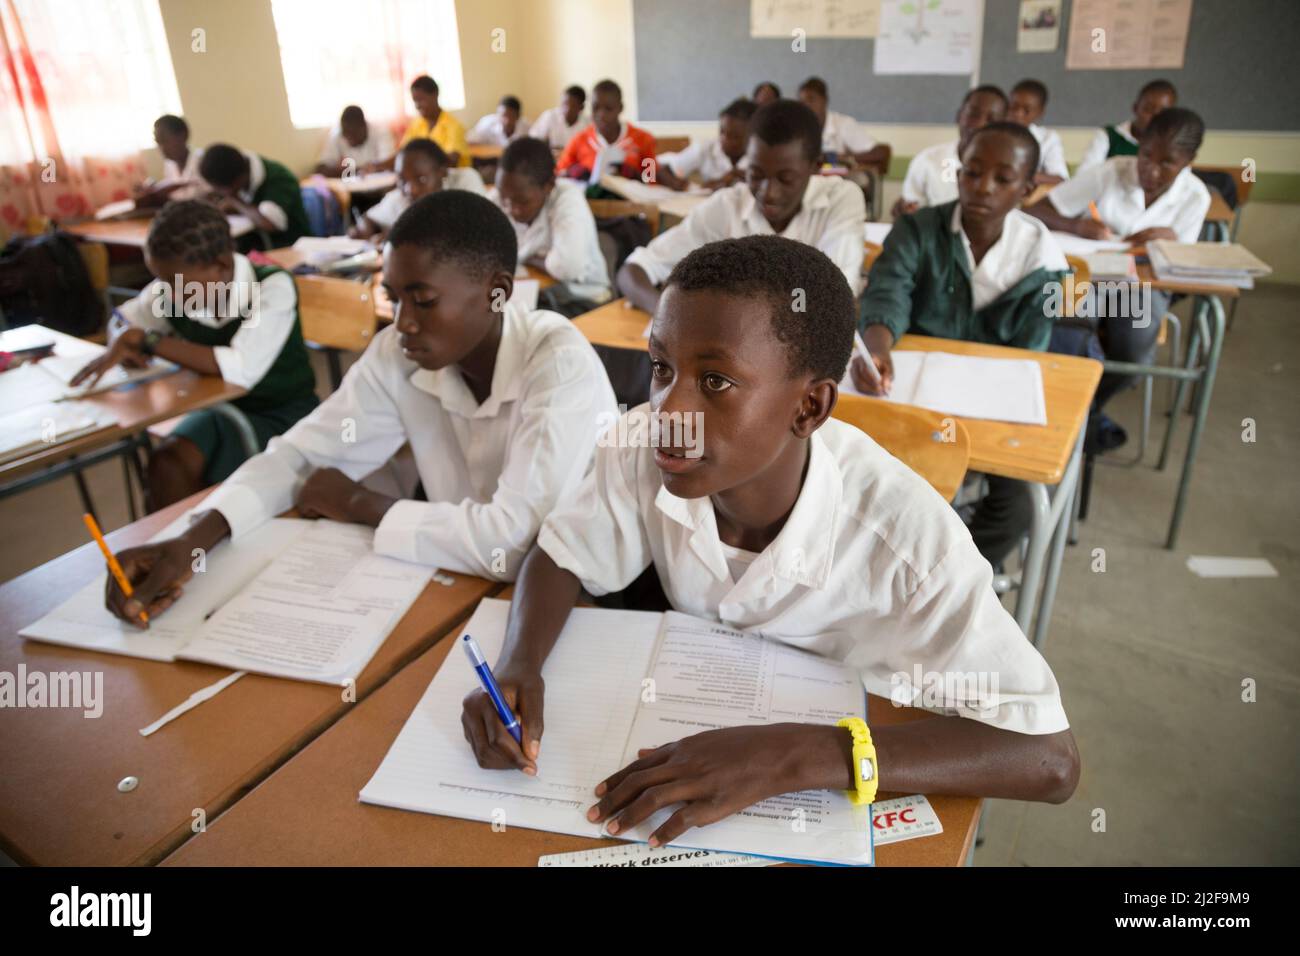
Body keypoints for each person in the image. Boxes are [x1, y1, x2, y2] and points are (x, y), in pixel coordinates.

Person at [460, 235, 1080, 841]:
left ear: (809, 408)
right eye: (661, 368)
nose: (667, 411)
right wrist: (519, 665)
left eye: (716, 382)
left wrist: (793, 756)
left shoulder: (907, 542)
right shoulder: (639, 448)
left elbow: (1049, 759)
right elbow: (561, 553)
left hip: (851, 776)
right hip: (702, 707)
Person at [99, 191, 619, 628]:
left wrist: (357, 503)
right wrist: (193, 536)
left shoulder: (559, 364)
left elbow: (516, 542)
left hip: (576, 608)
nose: (404, 322)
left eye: (423, 300)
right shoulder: (400, 351)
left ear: (497, 293)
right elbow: (300, 457)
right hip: (456, 585)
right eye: (394, 298)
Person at [850, 123, 1068, 569]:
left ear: (1027, 189)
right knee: (870, 470)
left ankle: (956, 571)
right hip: (911, 391)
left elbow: (1030, 354)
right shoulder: (918, 229)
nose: (982, 187)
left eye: (1003, 179)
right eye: (972, 172)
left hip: (993, 404)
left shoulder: (1042, 258)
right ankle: (899, 564)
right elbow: (889, 291)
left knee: (1023, 504)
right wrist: (877, 347)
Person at [70, 200, 318, 508]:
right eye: (161, 279)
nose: (168, 292)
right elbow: (126, 317)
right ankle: (174, 550)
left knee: (227, 492)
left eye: (177, 284)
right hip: (220, 411)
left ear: (222, 266)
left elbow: (239, 368)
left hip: (283, 416)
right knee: (167, 465)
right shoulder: (176, 287)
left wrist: (149, 341)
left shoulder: (271, 287)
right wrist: (122, 340)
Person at [1027, 107, 1209, 448]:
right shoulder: (1110, 172)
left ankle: (1090, 407)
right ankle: (1065, 408)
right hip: (1090, 275)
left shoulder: (1195, 197)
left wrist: (1168, 243)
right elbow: (1035, 209)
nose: (1150, 170)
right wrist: (1076, 224)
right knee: (1062, 326)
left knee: (1135, 357)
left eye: (1166, 163)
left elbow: (1178, 273)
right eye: (1145, 155)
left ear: (1188, 161)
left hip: (1140, 288)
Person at [617, 99, 866, 314]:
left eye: (785, 179)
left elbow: (834, 295)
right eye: (755, 175)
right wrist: (667, 313)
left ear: (815, 166)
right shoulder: (727, 207)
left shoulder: (840, 200)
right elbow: (635, 269)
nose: (768, 192)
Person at [495, 137, 611, 308]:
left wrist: (526, 257)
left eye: (523, 202)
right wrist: (537, 258)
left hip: (584, 299)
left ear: (549, 185)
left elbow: (567, 267)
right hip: (537, 290)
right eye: (505, 200)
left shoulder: (568, 198)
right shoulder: (508, 193)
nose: (513, 209)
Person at [894, 85, 1007, 217]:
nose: (980, 125)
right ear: (959, 116)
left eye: (991, 120)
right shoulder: (927, 160)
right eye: (973, 115)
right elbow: (912, 211)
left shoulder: (1008, 170)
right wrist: (906, 212)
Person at [351, 139, 486, 242]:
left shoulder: (465, 180)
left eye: (421, 179)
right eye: (402, 180)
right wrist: (364, 230)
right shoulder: (400, 197)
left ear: (443, 172)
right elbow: (368, 218)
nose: (411, 189)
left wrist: (402, 234)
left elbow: (469, 229)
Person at [198, 143, 311, 248]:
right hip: (258, 245)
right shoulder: (238, 171)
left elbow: (270, 223)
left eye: (221, 190)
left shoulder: (279, 179)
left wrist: (235, 201)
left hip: (290, 246)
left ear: (236, 182)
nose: (220, 194)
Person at [555, 79, 656, 185]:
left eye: (608, 109)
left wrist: (635, 176)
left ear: (620, 108)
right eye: (595, 108)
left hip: (631, 200)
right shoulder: (579, 141)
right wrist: (572, 173)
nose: (601, 115)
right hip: (591, 201)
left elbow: (651, 180)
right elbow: (557, 176)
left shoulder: (643, 139)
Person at [656, 98, 756, 192]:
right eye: (722, 132)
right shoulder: (706, 148)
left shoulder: (761, 157)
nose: (724, 139)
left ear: (752, 137)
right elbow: (660, 167)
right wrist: (680, 184)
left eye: (735, 136)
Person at [1076, 79, 1177, 172]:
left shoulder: (1173, 145)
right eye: (1148, 109)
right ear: (1135, 108)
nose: (1155, 118)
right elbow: (1084, 177)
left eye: (1163, 113)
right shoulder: (1109, 137)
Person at [797, 76, 890, 169]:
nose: (806, 106)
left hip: (840, 180)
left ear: (825, 100)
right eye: (802, 102)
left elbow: (881, 153)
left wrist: (840, 158)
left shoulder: (843, 124)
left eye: (811, 100)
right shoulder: (799, 127)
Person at [391, 75, 470, 168]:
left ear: (435, 95)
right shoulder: (416, 125)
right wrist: (378, 165)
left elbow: (452, 161)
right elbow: (402, 154)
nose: (417, 106)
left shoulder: (453, 126)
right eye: (415, 101)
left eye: (421, 100)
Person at [1007, 79, 1069, 184]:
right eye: (1014, 107)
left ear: (1040, 113)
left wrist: (1022, 176)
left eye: (1026, 110)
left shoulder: (1048, 139)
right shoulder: (994, 134)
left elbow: (1060, 179)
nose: (1018, 114)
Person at [135, 114, 204, 206]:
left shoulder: (203, 161)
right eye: (158, 142)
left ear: (183, 135)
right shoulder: (169, 165)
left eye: (164, 140)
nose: (162, 148)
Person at [315, 105, 394, 177]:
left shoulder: (381, 132)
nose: (349, 139)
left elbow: (388, 164)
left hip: (379, 189)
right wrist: (359, 170)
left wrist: (347, 171)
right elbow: (321, 168)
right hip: (349, 189)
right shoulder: (337, 135)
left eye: (354, 134)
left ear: (364, 127)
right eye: (346, 134)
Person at [528, 85, 588, 154]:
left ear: (581, 107)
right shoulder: (550, 116)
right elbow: (533, 139)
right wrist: (545, 146)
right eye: (565, 104)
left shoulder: (587, 124)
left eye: (573, 106)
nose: (567, 109)